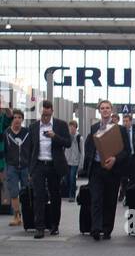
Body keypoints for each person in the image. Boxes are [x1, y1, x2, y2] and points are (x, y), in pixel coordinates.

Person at [81, 99, 132, 241]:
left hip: (113, 170)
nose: (105, 110)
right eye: (102, 108)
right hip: (97, 168)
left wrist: (115, 159)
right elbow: (89, 146)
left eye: (107, 108)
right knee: (96, 199)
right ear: (99, 111)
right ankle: (96, 228)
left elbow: (126, 151)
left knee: (110, 200)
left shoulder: (119, 129)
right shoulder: (94, 128)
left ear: (111, 110)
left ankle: (107, 229)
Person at [27, 99, 71, 238]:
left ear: (52, 111)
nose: (45, 117)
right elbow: (30, 149)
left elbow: (68, 143)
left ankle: (54, 225)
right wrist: (31, 169)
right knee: (38, 196)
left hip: (54, 165)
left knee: (55, 195)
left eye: (47, 115)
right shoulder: (34, 127)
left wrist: (55, 136)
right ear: (41, 112)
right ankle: (39, 227)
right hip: (39, 165)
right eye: (43, 115)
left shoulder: (60, 125)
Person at [4, 109, 31, 225]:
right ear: (12, 119)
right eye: (15, 117)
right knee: (14, 191)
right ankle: (16, 215)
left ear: (22, 120)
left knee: (27, 191)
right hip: (11, 166)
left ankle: (28, 215)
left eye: (19, 117)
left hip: (26, 166)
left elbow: (32, 148)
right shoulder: (6, 133)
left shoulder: (27, 132)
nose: (17, 120)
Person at [65, 119, 83, 200]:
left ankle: (72, 195)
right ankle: (69, 192)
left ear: (76, 128)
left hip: (75, 162)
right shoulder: (66, 137)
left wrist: (81, 164)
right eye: (70, 127)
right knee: (67, 178)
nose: (71, 129)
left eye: (73, 127)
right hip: (67, 161)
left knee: (72, 178)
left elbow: (82, 151)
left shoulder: (79, 138)